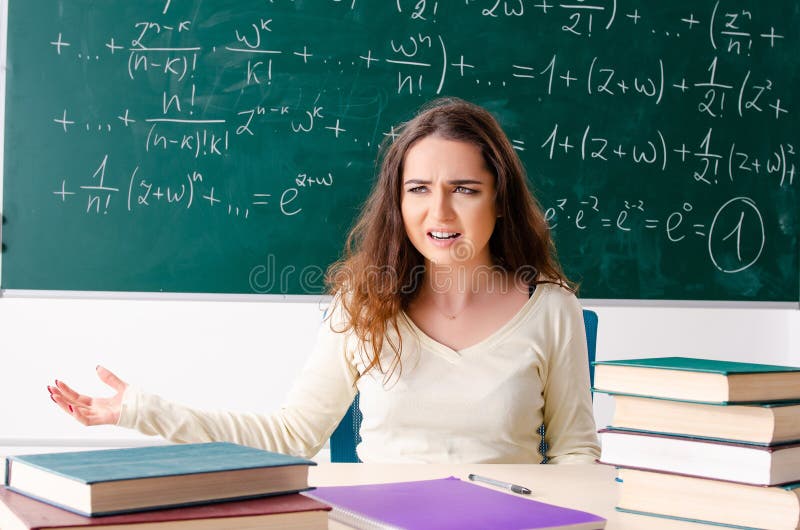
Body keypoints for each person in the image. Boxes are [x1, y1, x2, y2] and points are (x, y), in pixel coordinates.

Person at [48, 98, 600, 464]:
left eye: (464, 189)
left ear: (499, 200)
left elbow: (576, 456)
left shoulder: (552, 310)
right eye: (418, 190)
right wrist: (142, 411)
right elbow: (291, 436)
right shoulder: (363, 306)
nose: (440, 213)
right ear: (397, 203)